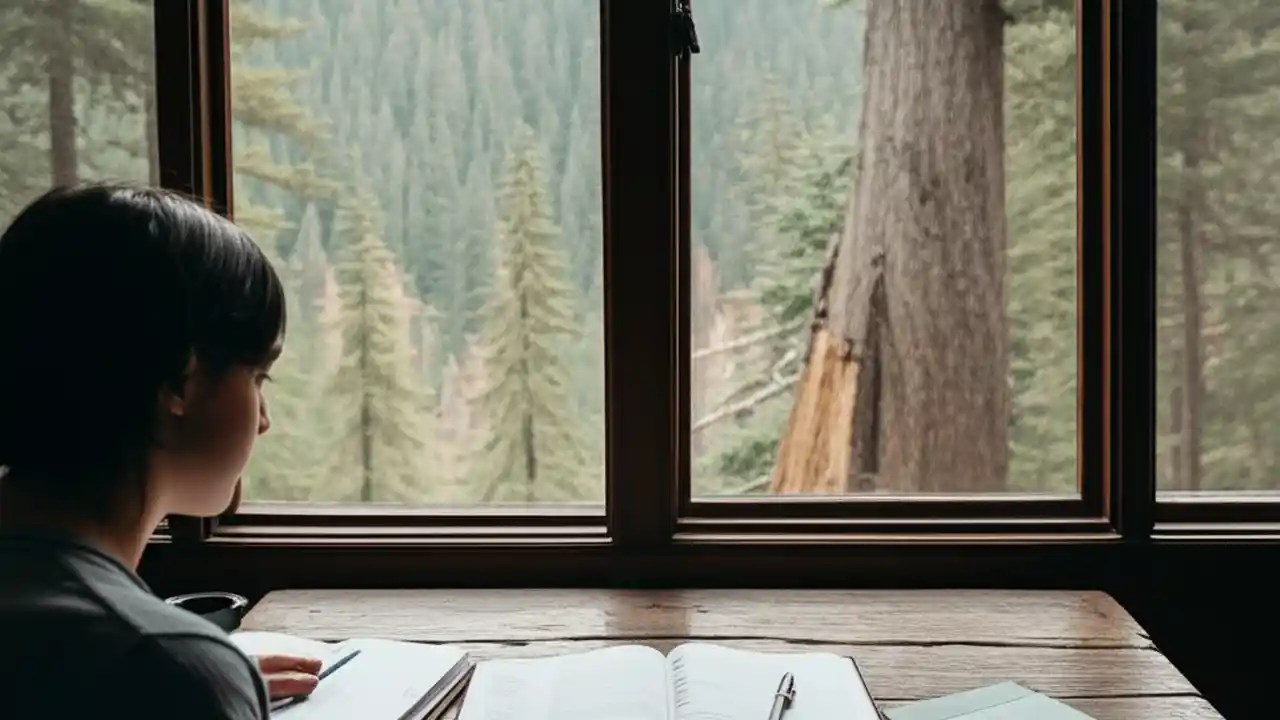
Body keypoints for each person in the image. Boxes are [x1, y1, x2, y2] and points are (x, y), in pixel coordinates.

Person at [0, 184, 322, 718]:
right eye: (257, 379)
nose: (263, 421)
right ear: (180, 382)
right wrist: (197, 680)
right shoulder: (155, 668)